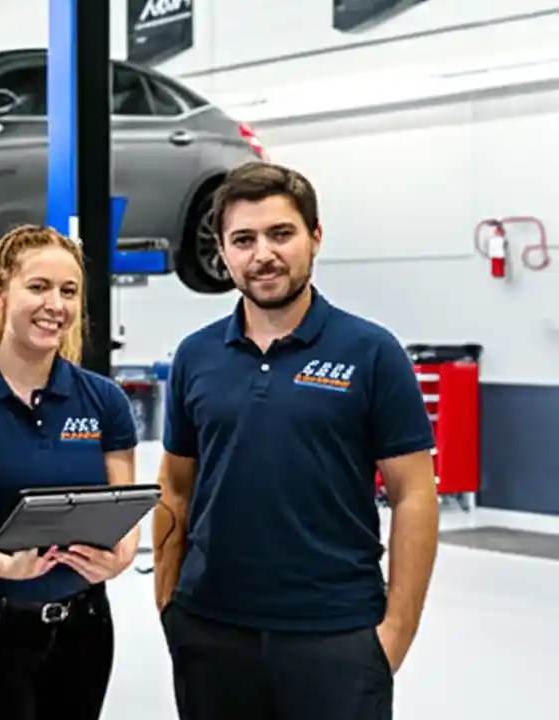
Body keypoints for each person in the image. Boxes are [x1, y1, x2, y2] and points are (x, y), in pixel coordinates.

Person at [153, 161, 439, 720]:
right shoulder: (195, 356)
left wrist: (394, 633)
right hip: (211, 632)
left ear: (315, 236)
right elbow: (176, 487)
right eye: (244, 239)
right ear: (223, 251)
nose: (263, 254)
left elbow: (414, 495)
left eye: (280, 233)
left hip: (336, 634)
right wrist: (169, 606)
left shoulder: (373, 351)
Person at [0, 224, 142, 720]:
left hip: (83, 630)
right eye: (38, 287)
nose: (55, 305)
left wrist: (119, 558)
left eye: (68, 291)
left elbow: (124, 510)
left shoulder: (102, 400)